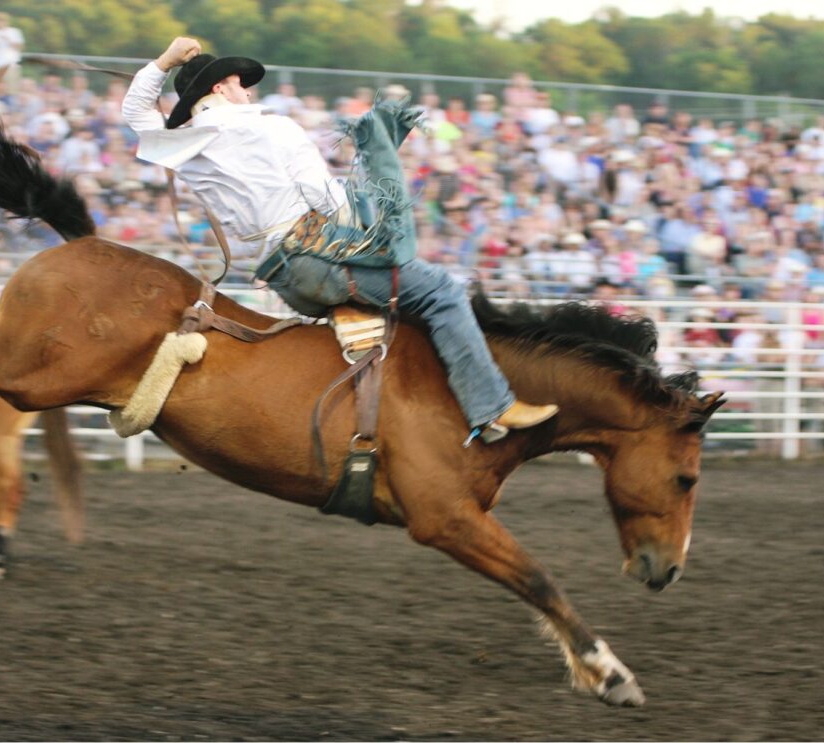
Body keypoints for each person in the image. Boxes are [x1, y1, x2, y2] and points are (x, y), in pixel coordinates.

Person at [122, 37, 557, 445]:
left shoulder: (182, 144)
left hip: (285, 281)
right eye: (240, 84)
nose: (249, 92)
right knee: (441, 293)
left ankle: (350, 312)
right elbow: (327, 200)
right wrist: (371, 219)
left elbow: (135, 112)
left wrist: (164, 61)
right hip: (318, 259)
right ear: (220, 87)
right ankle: (492, 407)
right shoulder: (275, 129)